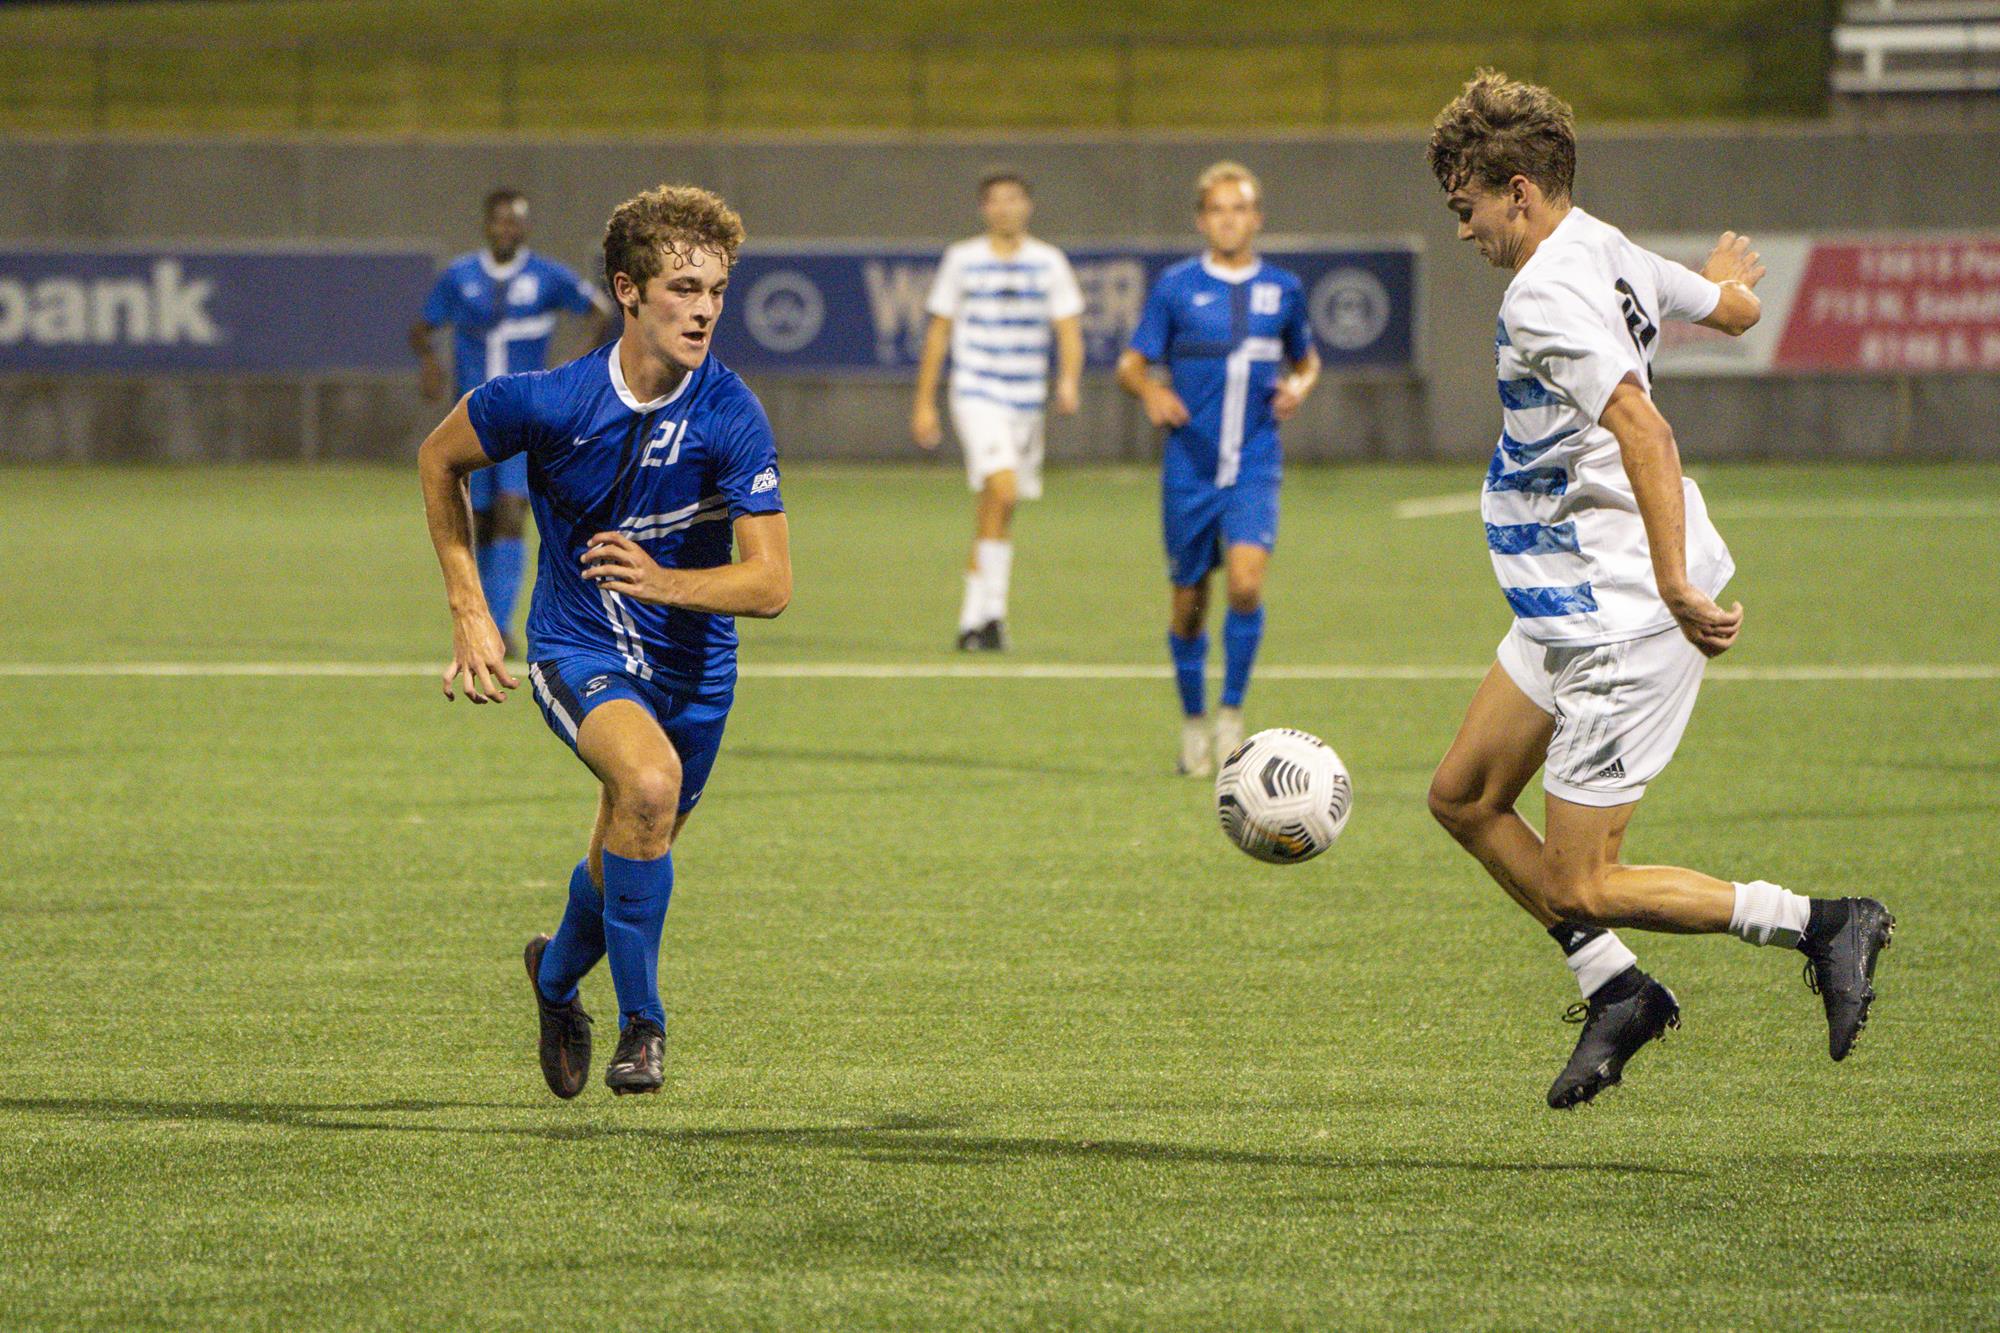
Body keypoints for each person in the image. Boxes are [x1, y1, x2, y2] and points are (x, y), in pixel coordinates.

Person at [1421, 70, 1894, 1109]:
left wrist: (1674, 583)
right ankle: (1615, 989)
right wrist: (1727, 282)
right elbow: (1727, 313)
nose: (1461, 233)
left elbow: (1641, 423)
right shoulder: (1599, 243)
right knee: (1460, 794)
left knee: (1580, 880)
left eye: (1464, 209)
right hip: (1563, 593)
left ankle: (1821, 921)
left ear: (1514, 190)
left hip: (1617, 607)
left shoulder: (1541, 290)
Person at [416, 185, 790, 1098]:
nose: (704, 309)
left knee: (636, 833)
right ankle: (644, 1027)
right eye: (682, 289)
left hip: (697, 673)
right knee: (648, 784)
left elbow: (771, 584)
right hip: (574, 645)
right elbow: (439, 459)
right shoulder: (545, 401)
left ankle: (552, 978)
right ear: (627, 290)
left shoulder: (731, 412)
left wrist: (665, 580)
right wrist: (470, 606)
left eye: (717, 290)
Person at [1116, 162, 1320, 775]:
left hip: (1255, 461)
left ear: (1256, 218)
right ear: (1203, 220)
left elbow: (1308, 361)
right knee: (1188, 604)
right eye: (1218, 210)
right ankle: (1193, 723)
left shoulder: (1282, 289)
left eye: (1240, 209)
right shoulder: (1176, 288)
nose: (1229, 219)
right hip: (1190, 466)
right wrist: (1150, 391)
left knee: (1247, 584)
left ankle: (1232, 714)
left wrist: (1300, 387)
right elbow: (1131, 363)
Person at [412, 188, 614, 655]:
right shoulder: (460, 277)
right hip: (472, 418)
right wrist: (429, 361)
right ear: (487, 225)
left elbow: (600, 313)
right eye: (500, 221)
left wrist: (572, 369)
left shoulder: (545, 277)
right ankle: (480, 615)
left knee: (511, 512)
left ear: (525, 227)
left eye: (515, 221)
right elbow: (421, 328)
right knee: (477, 518)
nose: (507, 229)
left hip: (526, 417)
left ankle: (500, 626)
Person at [912, 170, 1084, 650]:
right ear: (984, 209)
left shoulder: (1049, 262)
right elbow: (939, 332)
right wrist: (925, 402)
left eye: (1014, 199)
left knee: (1000, 506)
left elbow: (1068, 329)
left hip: (1027, 400)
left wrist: (1068, 379)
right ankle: (978, 618)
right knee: (1003, 490)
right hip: (977, 391)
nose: (1005, 208)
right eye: (996, 201)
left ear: (1027, 206)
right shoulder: (963, 260)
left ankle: (987, 619)